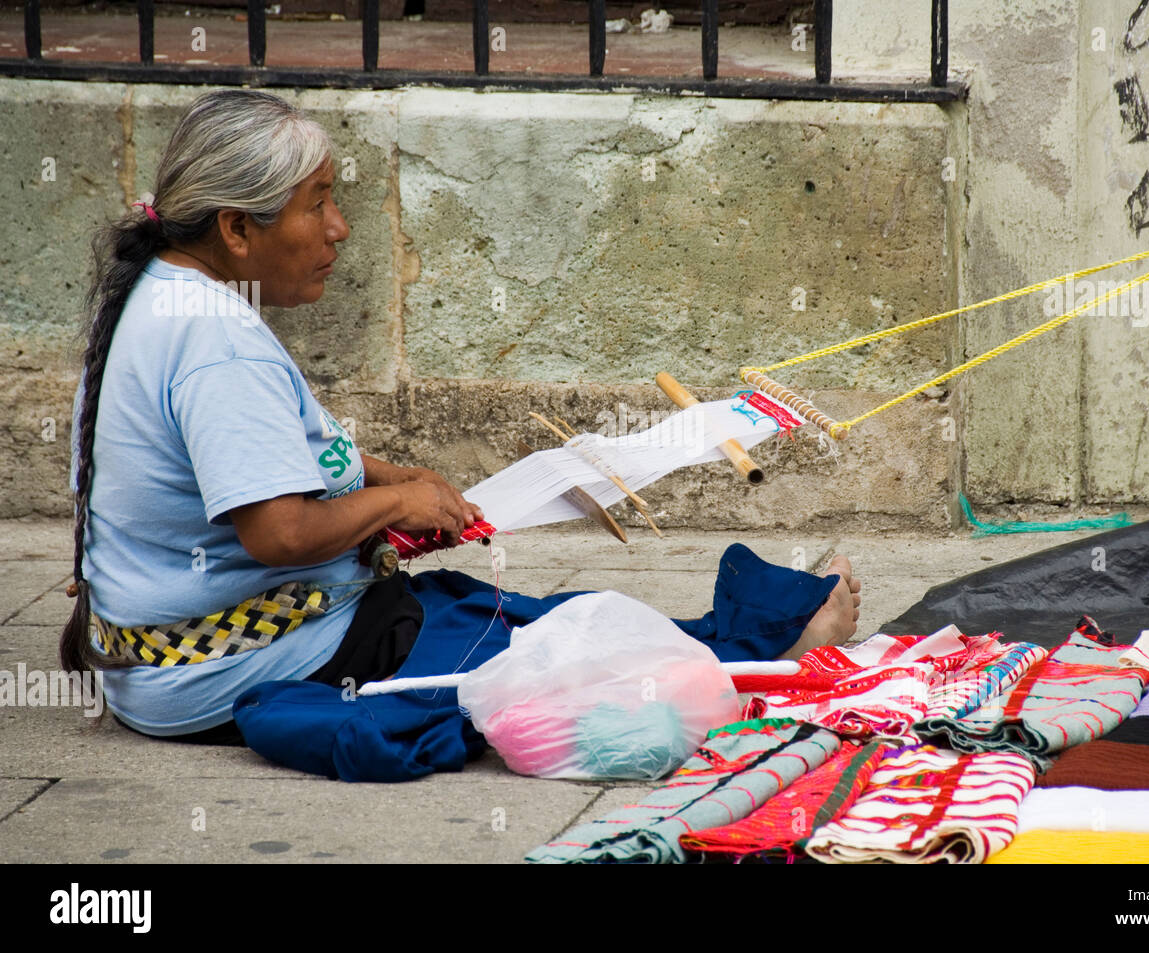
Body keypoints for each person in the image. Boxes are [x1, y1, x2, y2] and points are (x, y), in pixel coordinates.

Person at [61, 89, 861, 746]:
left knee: (508, 615)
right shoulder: (214, 342)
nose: (339, 228)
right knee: (550, 661)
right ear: (237, 228)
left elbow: (241, 460)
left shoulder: (161, 294)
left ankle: (748, 644)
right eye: (318, 204)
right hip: (226, 668)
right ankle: (768, 664)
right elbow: (280, 535)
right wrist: (397, 505)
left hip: (167, 663)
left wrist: (386, 478)